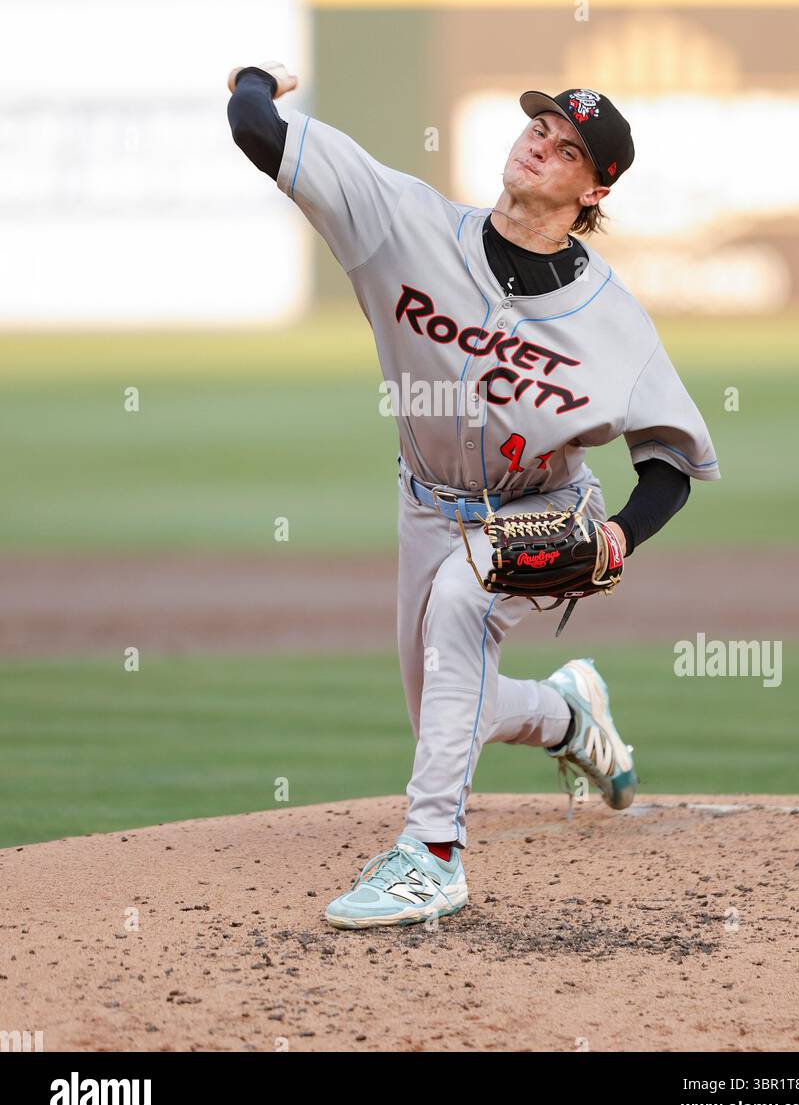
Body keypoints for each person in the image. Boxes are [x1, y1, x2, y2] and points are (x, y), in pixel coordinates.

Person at [227, 67, 720, 930]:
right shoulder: (404, 224)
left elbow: (671, 460)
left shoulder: (615, 320)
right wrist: (255, 81)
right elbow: (258, 130)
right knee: (446, 709)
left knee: (464, 599)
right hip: (427, 506)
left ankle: (432, 857)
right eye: (540, 127)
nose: (541, 145)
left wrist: (617, 538)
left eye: (569, 149)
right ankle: (568, 715)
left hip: (542, 513)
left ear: (596, 188)